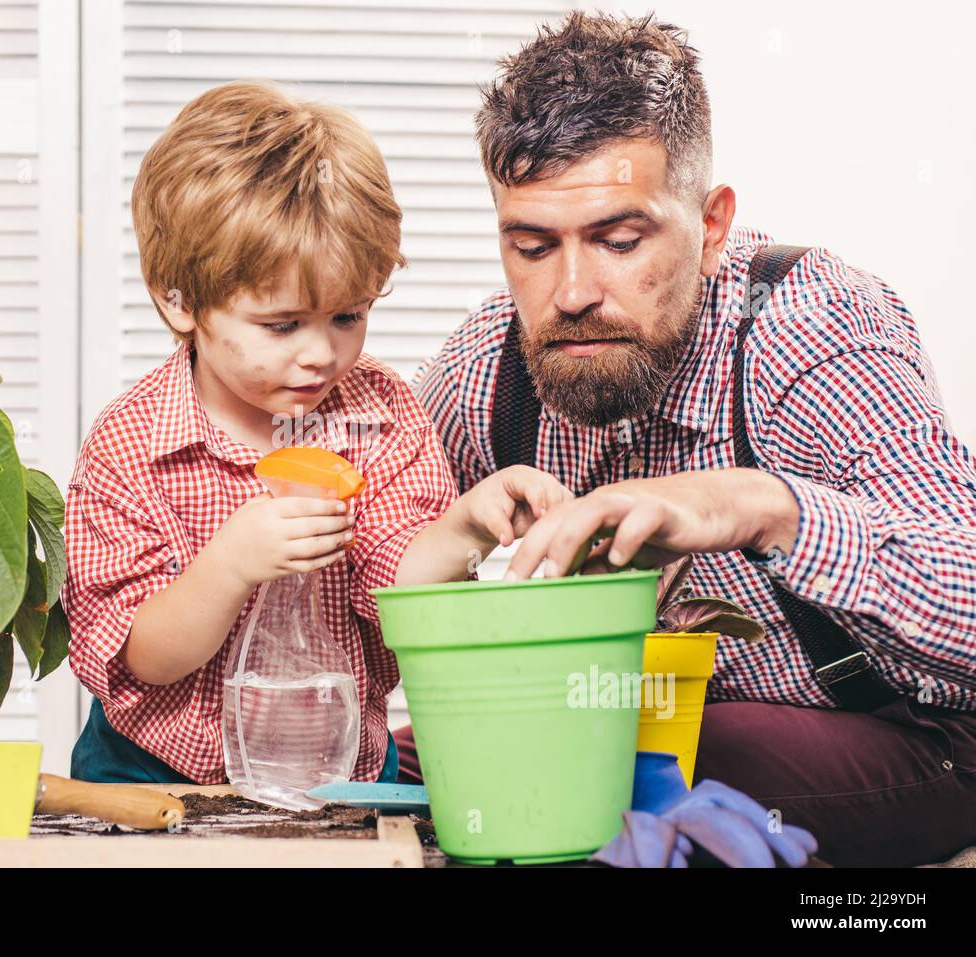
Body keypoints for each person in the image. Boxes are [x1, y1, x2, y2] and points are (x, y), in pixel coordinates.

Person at [401, 11, 976, 866]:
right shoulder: (488, 368)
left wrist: (758, 506)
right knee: (415, 764)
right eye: (530, 245)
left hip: (901, 734)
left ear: (710, 226)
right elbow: (385, 592)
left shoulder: (816, 332)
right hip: (617, 720)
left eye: (619, 240)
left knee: (675, 767)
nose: (570, 292)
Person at [60, 82, 566, 787]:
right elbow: (144, 656)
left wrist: (465, 529)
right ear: (179, 300)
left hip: (340, 773)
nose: (320, 353)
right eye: (282, 324)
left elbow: (397, 587)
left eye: (347, 316)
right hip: (151, 774)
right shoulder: (131, 443)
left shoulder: (379, 416)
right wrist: (229, 563)